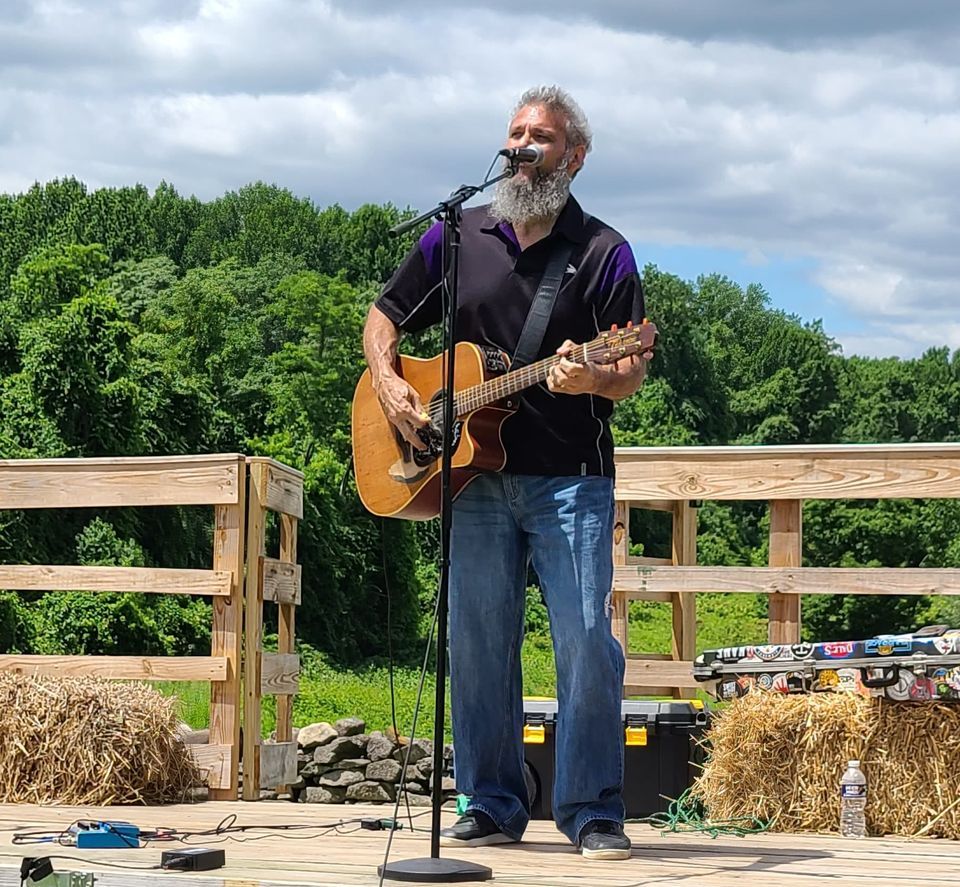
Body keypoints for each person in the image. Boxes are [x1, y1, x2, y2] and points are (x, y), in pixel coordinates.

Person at [362, 85, 652, 860]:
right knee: (477, 639)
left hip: (571, 477)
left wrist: (592, 378)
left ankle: (592, 808)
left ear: (575, 157)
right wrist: (393, 386)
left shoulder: (603, 252)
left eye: (543, 136)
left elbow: (629, 371)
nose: (524, 145)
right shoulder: (458, 234)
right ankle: (489, 801)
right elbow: (384, 315)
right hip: (471, 478)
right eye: (516, 132)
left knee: (587, 638)